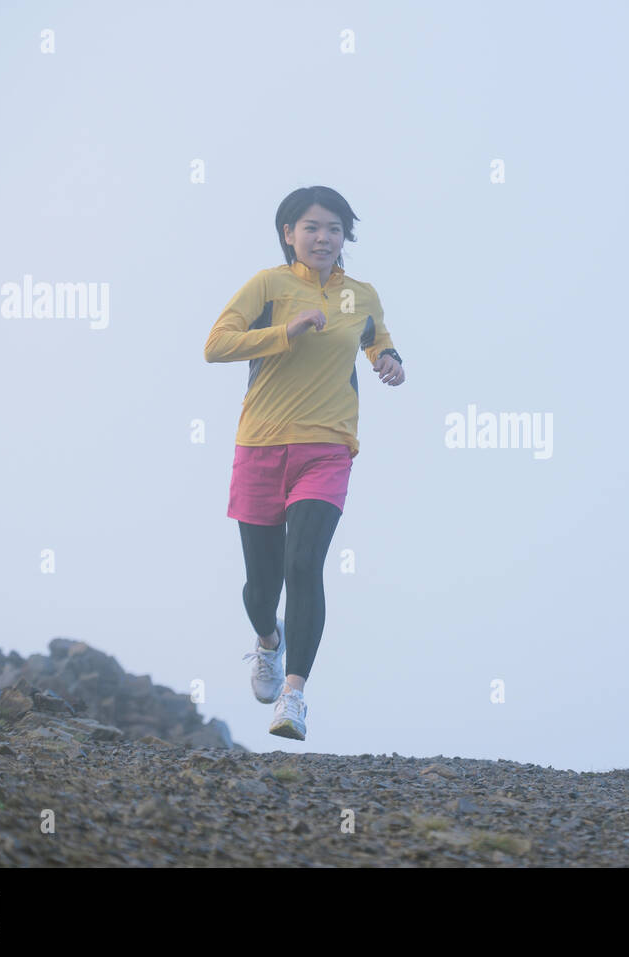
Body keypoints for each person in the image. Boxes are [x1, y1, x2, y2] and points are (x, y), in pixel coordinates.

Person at [203, 185, 404, 741]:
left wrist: (388, 359)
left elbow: (375, 336)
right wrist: (283, 332)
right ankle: (268, 642)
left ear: (346, 237)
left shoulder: (359, 295)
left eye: (335, 228)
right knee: (261, 587)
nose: (324, 237)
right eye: (312, 227)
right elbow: (216, 345)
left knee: (304, 566)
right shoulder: (269, 285)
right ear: (289, 233)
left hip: (328, 445)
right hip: (261, 446)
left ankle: (292, 698)